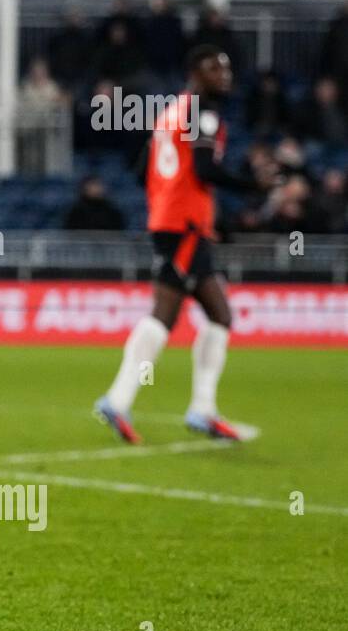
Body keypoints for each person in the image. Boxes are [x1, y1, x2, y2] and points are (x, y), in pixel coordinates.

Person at [95, 46, 262, 444]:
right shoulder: (202, 112)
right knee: (165, 315)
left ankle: (201, 410)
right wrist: (252, 185)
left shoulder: (170, 112)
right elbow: (205, 169)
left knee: (219, 314)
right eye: (214, 67)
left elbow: (143, 172)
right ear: (195, 73)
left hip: (178, 223)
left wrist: (188, 209)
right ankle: (120, 400)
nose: (224, 73)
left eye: (226, 66)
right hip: (184, 225)